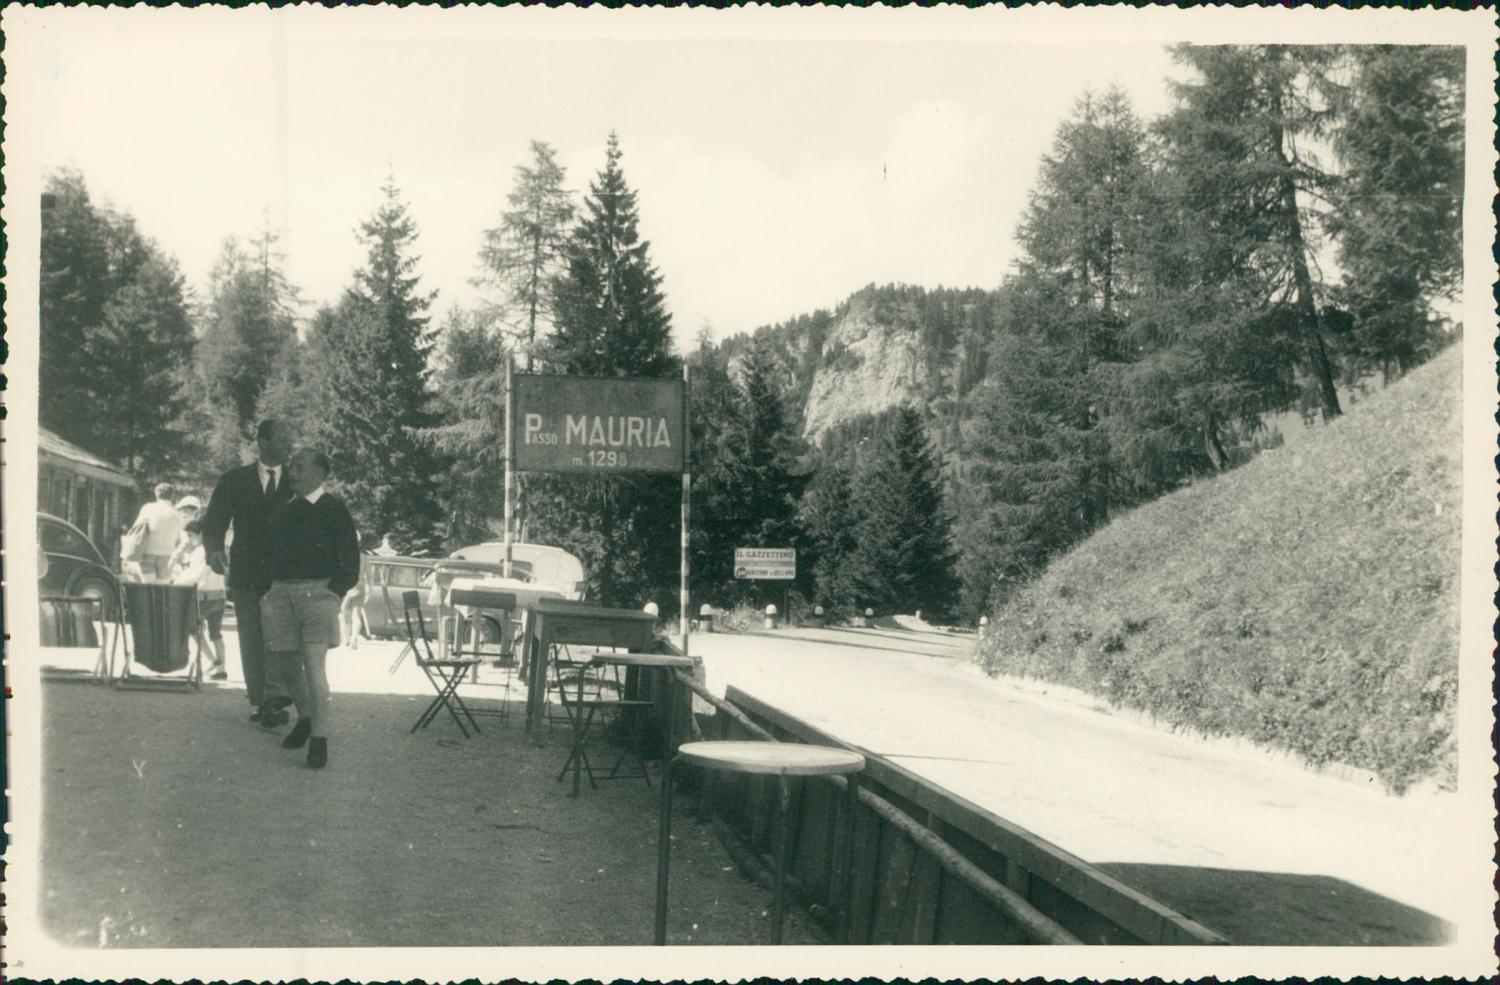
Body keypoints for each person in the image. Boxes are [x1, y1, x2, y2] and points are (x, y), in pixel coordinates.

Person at [260, 448, 360, 769]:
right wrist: (269, 589)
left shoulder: (333, 508)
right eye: (291, 467)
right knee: (287, 666)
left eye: (301, 467)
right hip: (281, 594)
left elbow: (350, 558)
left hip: (319, 593)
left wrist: (334, 593)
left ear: (320, 473)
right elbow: (270, 552)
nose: (293, 472)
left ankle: (319, 739)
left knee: (314, 667)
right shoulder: (283, 509)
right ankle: (305, 717)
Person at [202, 418, 297, 726]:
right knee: (252, 637)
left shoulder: (296, 482)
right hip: (246, 573)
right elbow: (215, 520)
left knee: (281, 637)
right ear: (263, 442)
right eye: (283, 441)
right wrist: (214, 550)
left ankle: (274, 698)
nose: (289, 447)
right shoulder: (235, 480)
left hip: (285, 574)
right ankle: (261, 701)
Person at [170, 519, 228, 680]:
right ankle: (222, 668)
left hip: (204, 597)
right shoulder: (216, 549)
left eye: (190, 535)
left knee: (193, 630)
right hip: (220, 595)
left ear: (200, 534)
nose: (189, 539)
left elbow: (197, 574)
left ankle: (213, 661)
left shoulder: (201, 551)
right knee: (216, 633)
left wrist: (177, 582)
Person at [125, 483, 182, 582]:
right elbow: (178, 537)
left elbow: (136, 528)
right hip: (167, 554)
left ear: (156, 494)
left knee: (149, 585)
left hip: (148, 553)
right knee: (163, 587)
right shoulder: (176, 513)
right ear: (172, 495)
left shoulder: (148, 508)